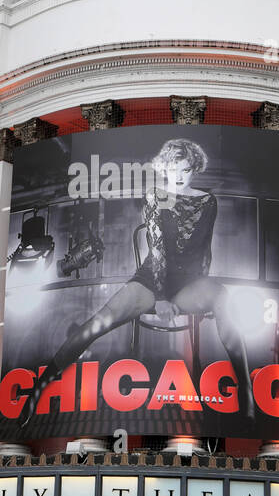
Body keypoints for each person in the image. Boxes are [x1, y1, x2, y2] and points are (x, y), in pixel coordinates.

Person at [22, 137, 253, 424]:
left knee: (222, 297)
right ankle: (37, 389)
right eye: (174, 169)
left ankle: (247, 395)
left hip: (189, 282)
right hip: (152, 280)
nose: (179, 177)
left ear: (195, 169)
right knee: (95, 325)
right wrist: (160, 298)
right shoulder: (156, 195)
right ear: (165, 169)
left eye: (186, 170)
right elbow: (157, 249)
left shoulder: (208, 201)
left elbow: (205, 251)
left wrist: (202, 291)